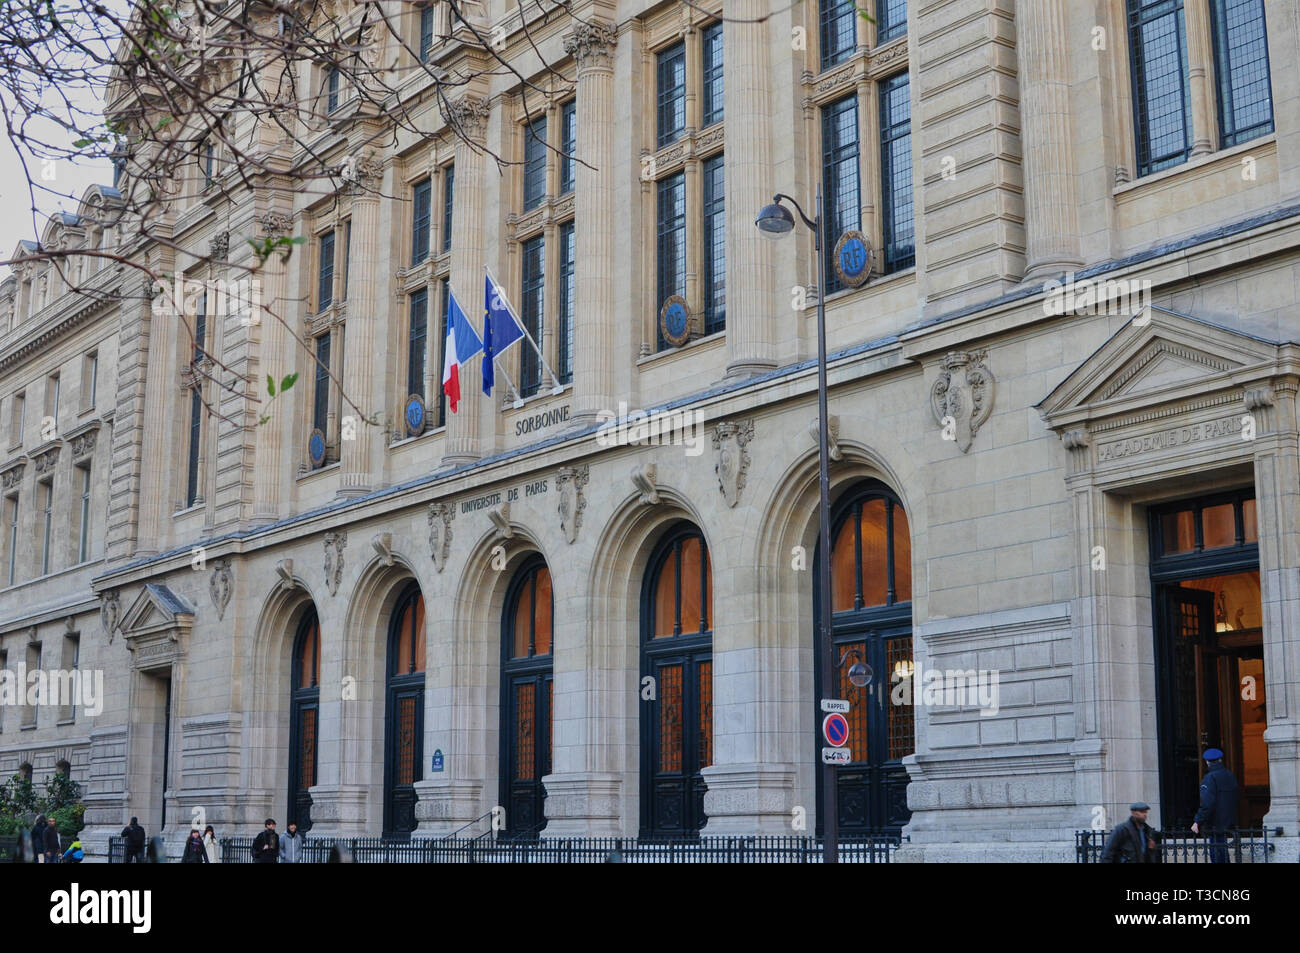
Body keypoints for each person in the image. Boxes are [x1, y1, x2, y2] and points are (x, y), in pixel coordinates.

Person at [1192, 747, 1239, 863]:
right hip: (1229, 822)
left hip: (1215, 824)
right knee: (1223, 855)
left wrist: (1197, 821)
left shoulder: (1210, 778)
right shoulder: (1230, 775)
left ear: (1207, 762)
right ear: (1220, 760)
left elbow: (1207, 802)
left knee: (1217, 856)